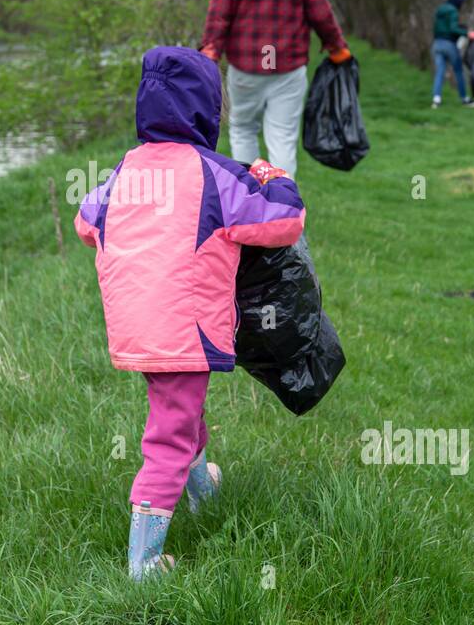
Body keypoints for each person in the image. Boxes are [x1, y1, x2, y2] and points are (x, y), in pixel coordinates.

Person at [75, 46, 305, 581]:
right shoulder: (216, 175)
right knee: (169, 435)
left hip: (138, 327)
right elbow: (284, 220)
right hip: (187, 331)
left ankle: (204, 491)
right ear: (207, 111)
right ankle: (144, 563)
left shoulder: (125, 169)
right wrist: (273, 175)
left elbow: (86, 222)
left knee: (182, 411)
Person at [200, 0, 351, 176]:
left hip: (245, 67)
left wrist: (209, 53)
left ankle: (249, 205)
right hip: (288, 68)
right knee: (282, 137)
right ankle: (284, 208)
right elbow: (321, 12)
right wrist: (337, 48)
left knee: (243, 129)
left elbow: (219, 16)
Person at [432, 0, 474, 108]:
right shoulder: (453, 11)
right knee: (458, 71)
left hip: (437, 44)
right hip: (449, 44)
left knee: (440, 72)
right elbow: (453, 28)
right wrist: (468, 33)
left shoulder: (439, 11)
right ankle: (464, 98)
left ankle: (436, 99)